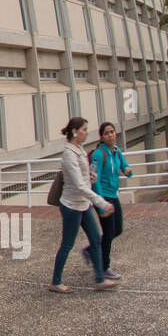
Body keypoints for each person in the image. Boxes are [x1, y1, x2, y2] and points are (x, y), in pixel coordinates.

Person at [50, 116, 118, 293]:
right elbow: (78, 185)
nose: (87, 133)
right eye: (84, 129)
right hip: (72, 205)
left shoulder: (79, 150)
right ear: (74, 131)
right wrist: (101, 202)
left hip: (84, 203)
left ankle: (100, 279)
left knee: (96, 238)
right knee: (67, 244)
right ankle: (56, 282)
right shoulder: (68, 154)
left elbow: (83, 178)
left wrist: (91, 177)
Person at [86, 122, 131, 279]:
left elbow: (124, 166)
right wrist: (100, 202)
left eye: (112, 132)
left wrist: (127, 171)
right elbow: (94, 178)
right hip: (103, 197)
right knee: (109, 231)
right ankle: (104, 267)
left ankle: (92, 250)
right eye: (106, 133)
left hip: (113, 195)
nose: (110, 135)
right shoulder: (99, 154)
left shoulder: (117, 151)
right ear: (102, 137)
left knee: (117, 229)